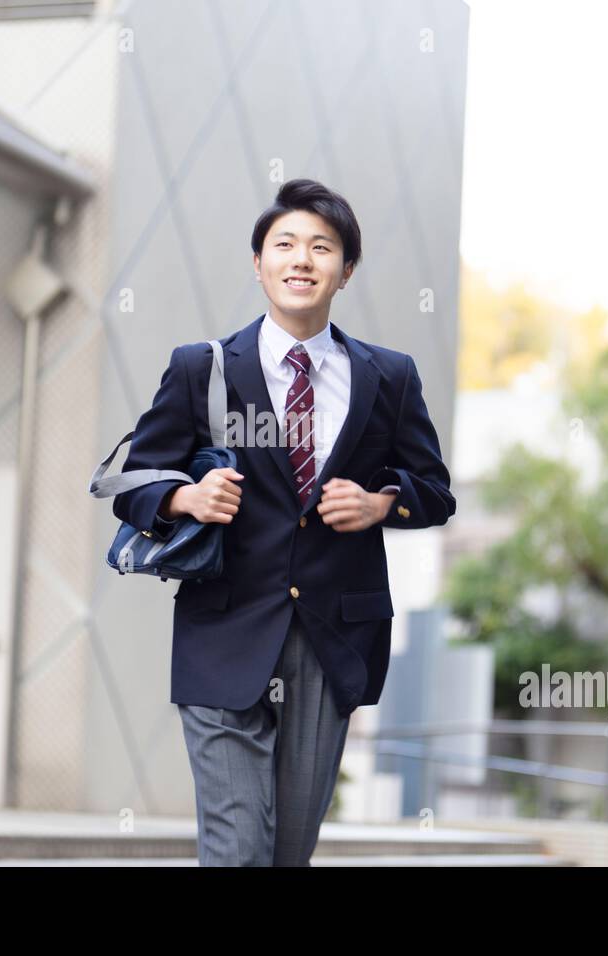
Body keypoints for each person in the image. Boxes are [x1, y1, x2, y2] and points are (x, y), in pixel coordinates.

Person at [112, 178, 456, 865]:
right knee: (238, 849)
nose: (302, 259)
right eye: (286, 244)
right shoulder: (202, 369)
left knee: (286, 854)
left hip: (333, 638)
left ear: (345, 270)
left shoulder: (389, 377)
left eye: (321, 248)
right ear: (259, 261)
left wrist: (380, 505)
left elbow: (437, 492)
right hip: (224, 630)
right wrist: (186, 499)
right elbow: (131, 481)